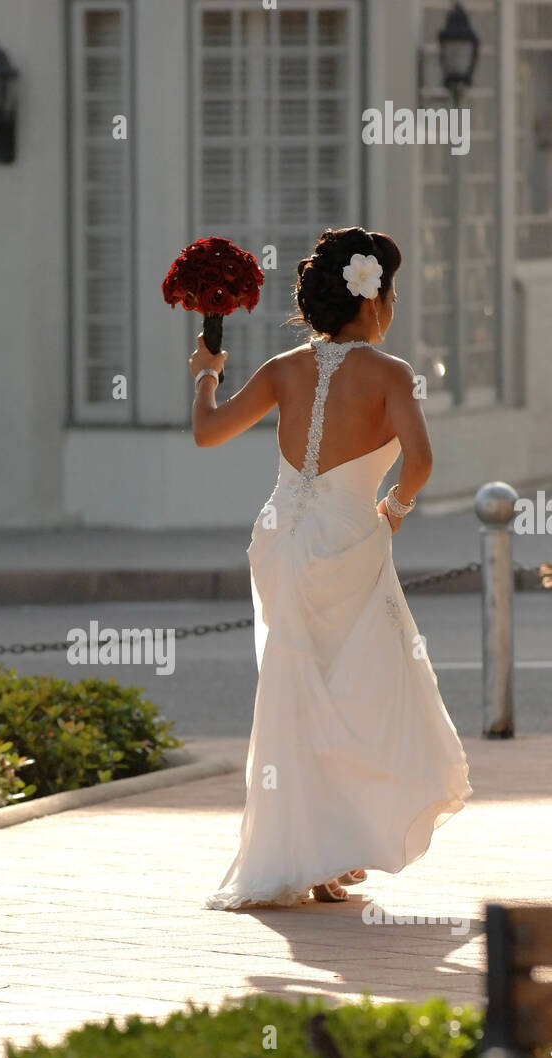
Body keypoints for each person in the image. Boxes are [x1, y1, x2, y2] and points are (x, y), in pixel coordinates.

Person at [189, 225, 472, 909]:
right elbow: (422, 458)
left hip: (281, 536)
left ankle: (311, 855)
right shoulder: (390, 374)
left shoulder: (283, 369)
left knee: (295, 688)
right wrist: (396, 507)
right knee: (360, 692)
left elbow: (206, 432)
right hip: (349, 537)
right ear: (373, 302)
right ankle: (332, 849)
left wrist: (205, 372)